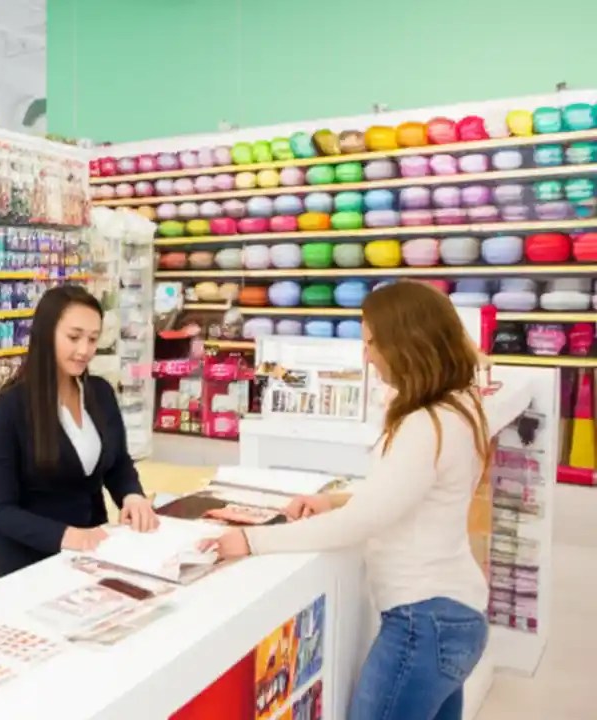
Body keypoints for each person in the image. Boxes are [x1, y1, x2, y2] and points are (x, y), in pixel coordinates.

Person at [200, 281, 491, 720]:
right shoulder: (458, 410)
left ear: (406, 344)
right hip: (453, 616)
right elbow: (413, 494)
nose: (367, 356)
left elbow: (359, 524)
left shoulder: (425, 424)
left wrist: (251, 541)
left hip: (423, 624)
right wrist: (335, 501)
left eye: (372, 343)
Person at [0, 285, 157, 578]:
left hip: (93, 551)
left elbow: (117, 464)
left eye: (92, 339)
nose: (84, 350)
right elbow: (1, 511)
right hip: (30, 560)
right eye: (74, 337)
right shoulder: (8, 409)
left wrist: (132, 496)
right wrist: (69, 536)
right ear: (46, 334)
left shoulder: (100, 393)